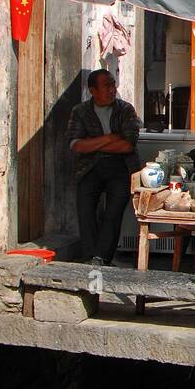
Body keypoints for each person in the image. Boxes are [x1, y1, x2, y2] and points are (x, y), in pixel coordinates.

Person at [67, 69, 141, 265]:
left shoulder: (125, 110)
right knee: (85, 211)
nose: (112, 90)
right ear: (93, 90)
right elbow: (77, 146)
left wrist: (93, 143)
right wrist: (109, 137)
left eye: (113, 85)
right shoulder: (80, 111)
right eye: (106, 86)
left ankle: (102, 257)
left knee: (113, 213)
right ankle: (90, 256)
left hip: (121, 167)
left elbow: (127, 144)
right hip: (89, 167)